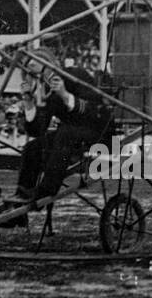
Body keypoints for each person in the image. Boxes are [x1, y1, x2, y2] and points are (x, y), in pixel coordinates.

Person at [8, 62, 111, 219]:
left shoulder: (75, 75)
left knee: (64, 133)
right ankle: (22, 197)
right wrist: (28, 100)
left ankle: (47, 190)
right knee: (32, 146)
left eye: (36, 69)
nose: (34, 75)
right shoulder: (47, 91)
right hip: (70, 134)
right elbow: (38, 130)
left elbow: (95, 109)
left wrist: (64, 95)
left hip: (98, 131)